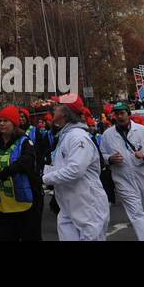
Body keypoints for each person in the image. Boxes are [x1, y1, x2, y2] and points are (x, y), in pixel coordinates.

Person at [40, 98, 109, 241]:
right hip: (68, 204)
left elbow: (75, 170)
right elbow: (60, 166)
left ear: (65, 113)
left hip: (87, 204)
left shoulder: (78, 137)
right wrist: (44, 172)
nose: (54, 109)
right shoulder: (65, 136)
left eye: (58, 106)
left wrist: (45, 178)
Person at [99, 102, 144, 241]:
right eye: (117, 114)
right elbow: (101, 155)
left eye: (122, 113)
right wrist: (110, 159)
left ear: (129, 114)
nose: (119, 116)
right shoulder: (107, 135)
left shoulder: (143, 131)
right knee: (136, 214)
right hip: (122, 178)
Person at [0, 105, 41, 241]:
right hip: (2, 203)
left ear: (14, 123)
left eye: (6, 121)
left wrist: (5, 172)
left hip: (26, 202)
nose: (1, 124)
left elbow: (26, 162)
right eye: (0, 121)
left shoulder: (24, 141)